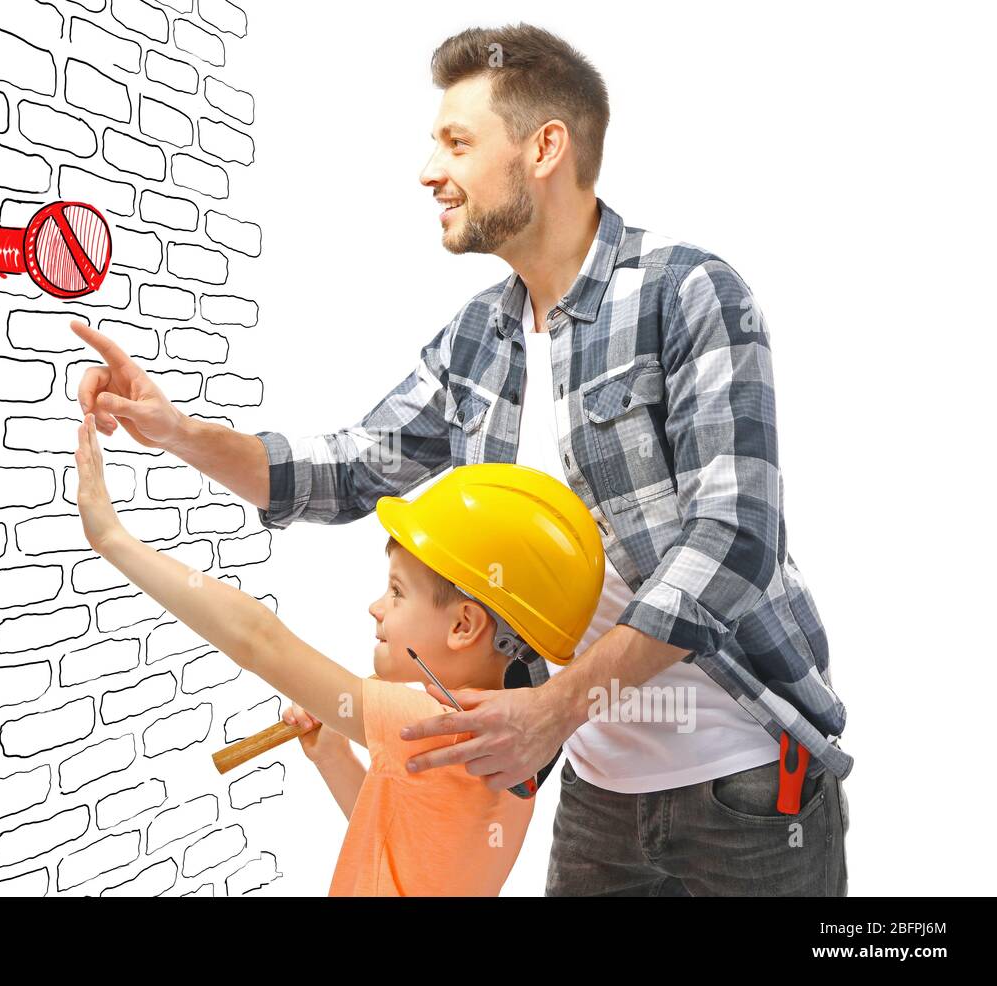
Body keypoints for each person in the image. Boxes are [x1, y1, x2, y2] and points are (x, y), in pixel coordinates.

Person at [72, 22, 850, 896]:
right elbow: (348, 467)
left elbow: (735, 539)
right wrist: (177, 432)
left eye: (457, 141)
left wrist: (556, 708)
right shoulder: (481, 338)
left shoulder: (686, 293)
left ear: (544, 147)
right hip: (596, 793)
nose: (428, 170)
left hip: (745, 787)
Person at [73, 424, 602, 896]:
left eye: (397, 593)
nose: (376, 607)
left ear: (464, 626)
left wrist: (114, 539)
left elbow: (260, 641)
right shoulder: (516, 755)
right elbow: (401, 850)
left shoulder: (423, 727)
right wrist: (333, 755)